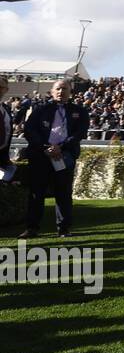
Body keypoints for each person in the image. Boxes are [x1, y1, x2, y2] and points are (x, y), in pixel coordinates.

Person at [20, 78, 90, 239]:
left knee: (63, 193)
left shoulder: (79, 111)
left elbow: (80, 132)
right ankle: (32, 228)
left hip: (64, 156)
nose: (61, 91)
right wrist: (45, 147)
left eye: (64, 89)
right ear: (52, 91)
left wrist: (62, 147)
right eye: (58, 89)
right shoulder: (40, 109)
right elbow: (29, 130)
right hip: (41, 156)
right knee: (36, 193)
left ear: (70, 92)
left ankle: (64, 229)